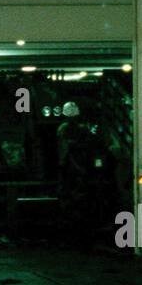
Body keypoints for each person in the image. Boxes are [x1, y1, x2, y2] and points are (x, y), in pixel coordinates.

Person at [57, 101, 94, 239]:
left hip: (72, 170)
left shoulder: (64, 129)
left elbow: (65, 151)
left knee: (71, 198)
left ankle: (72, 227)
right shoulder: (81, 130)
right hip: (76, 170)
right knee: (76, 198)